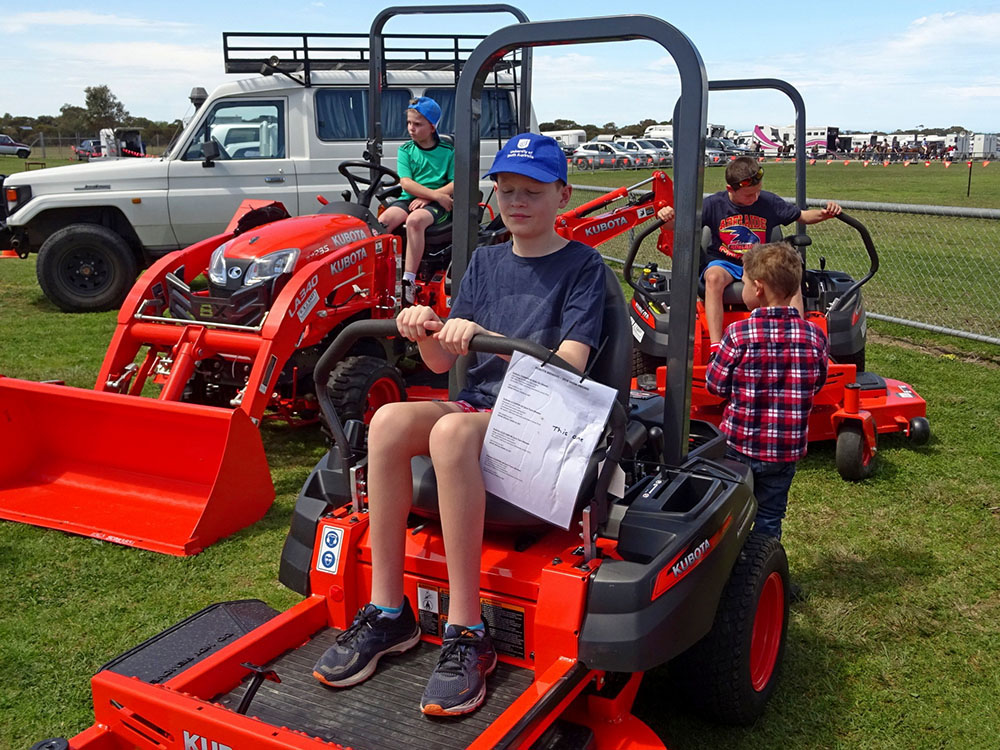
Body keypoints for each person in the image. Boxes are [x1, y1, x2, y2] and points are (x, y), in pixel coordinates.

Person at [312, 133, 607, 716]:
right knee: (390, 421)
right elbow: (442, 364)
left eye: (532, 191)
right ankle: (390, 611)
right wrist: (426, 326)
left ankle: (468, 629)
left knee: (448, 432)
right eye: (507, 190)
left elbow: (571, 363)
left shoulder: (583, 267)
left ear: (562, 195)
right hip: (481, 409)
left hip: (542, 414)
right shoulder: (487, 262)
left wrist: (492, 344)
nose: (517, 201)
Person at [704, 241, 828, 544]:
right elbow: (817, 381)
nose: (742, 288)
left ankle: (728, 569)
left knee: (731, 513)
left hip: (740, 445)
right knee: (770, 516)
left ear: (758, 288)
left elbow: (716, 385)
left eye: (743, 282)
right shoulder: (813, 335)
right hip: (785, 450)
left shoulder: (738, 334)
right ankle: (761, 569)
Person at [656, 155, 842, 355]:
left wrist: (825, 214)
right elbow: (675, 225)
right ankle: (717, 346)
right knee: (713, 277)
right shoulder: (713, 204)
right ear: (730, 189)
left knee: (791, 279)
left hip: (758, 261)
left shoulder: (768, 202)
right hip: (724, 260)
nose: (754, 198)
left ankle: (794, 338)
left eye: (757, 192)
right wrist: (666, 216)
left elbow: (802, 216)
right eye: (748, 195)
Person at [377, 96, 455, 304]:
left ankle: (408, 281)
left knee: (415, 221)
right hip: (412, 199)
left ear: (432, 127)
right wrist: (433, 194)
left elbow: (455, 183)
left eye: (417, 124)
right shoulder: (406, 150)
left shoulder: (447, 152)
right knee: (381, 222)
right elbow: (406, 184)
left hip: (437, 205)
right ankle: (378, 276)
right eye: (409, 123)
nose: (411, 128)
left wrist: (433, 198)